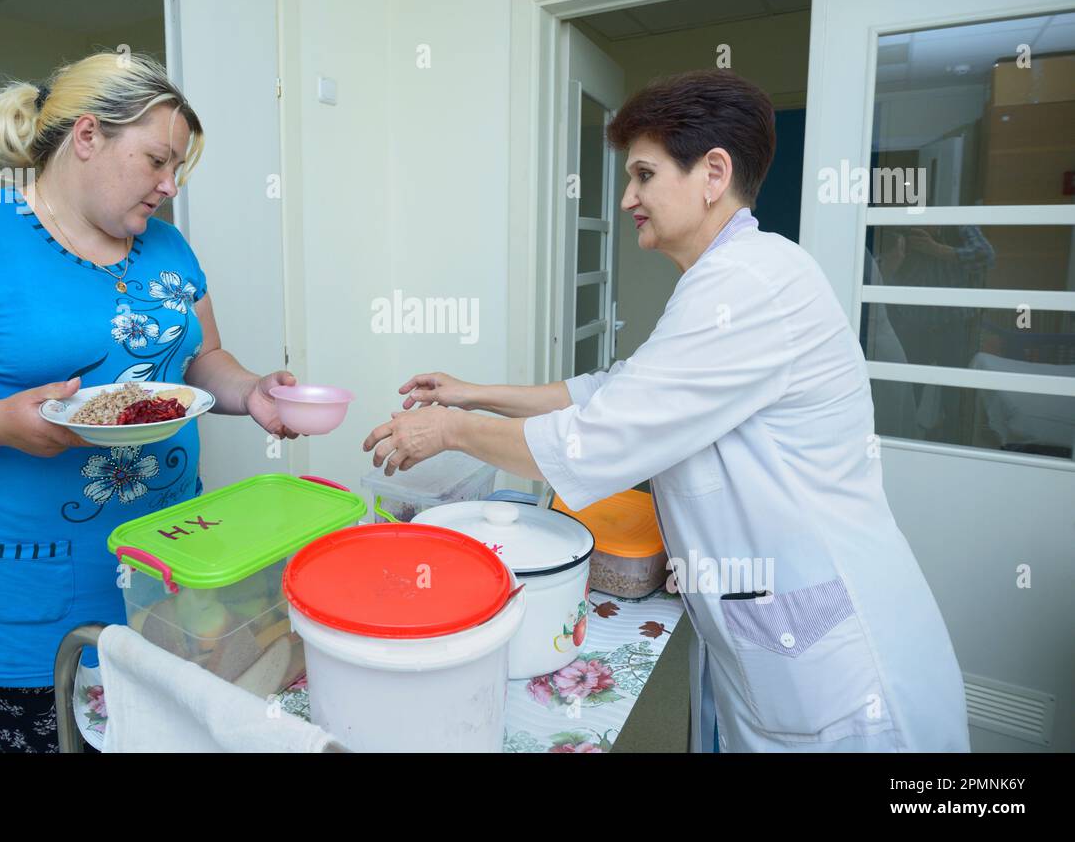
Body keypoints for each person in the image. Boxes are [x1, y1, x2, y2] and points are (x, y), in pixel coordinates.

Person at [364, 69, 970, 752]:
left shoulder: (747, 288)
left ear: (713, 172)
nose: (628, 198)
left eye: (644, 175)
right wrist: (469, 392)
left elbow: (597, 436)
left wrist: (447, 430)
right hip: (771, 647)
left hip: (840, 678)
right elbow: (609, 390)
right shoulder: (722, 281)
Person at [0, 51, 301, 752]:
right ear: (88, 135)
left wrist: (251, 390)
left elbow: (200, 359)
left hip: (170, 563)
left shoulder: (166, 246)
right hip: (28, 584)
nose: (168, 186)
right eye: (157, 161)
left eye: (178, 169)